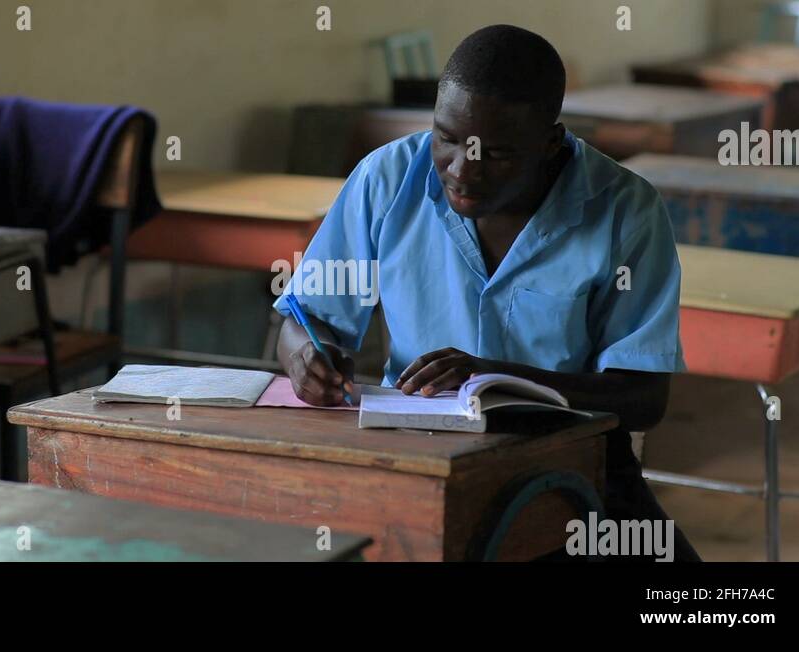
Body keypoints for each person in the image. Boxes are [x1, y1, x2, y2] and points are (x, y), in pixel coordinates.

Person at [274, 24, 700, 562]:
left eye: (495, 154)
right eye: (447, 138)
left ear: (550, 142)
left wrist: (493, 377)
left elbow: (642, 398)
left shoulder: (624, 212)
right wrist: (306, 358)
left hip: (566, 463)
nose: (461, 170)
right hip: (411, 450)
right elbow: (304, 320)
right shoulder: (385, 180)